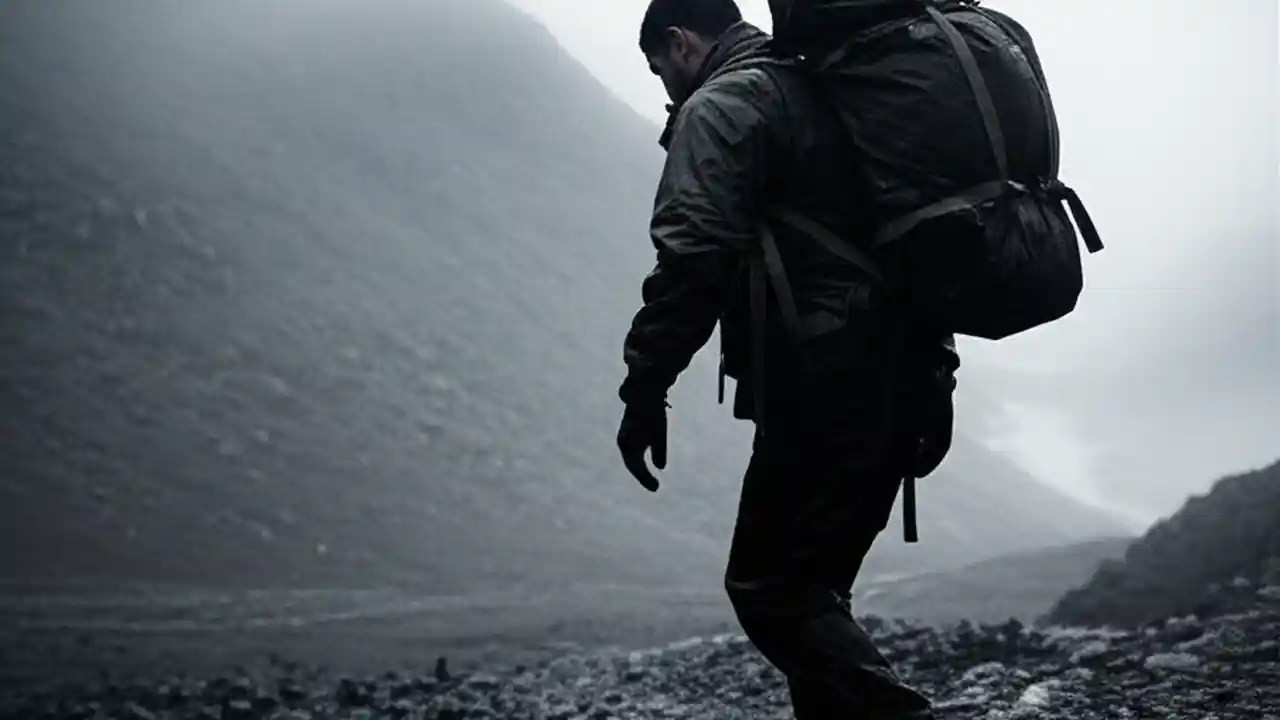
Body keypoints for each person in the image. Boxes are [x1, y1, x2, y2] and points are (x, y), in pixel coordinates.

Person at [616, 0, 958, 717]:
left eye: (659, 69)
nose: (665, 89)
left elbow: (691, 261)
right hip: (906, 369)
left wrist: (645, 388)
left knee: (770, 589)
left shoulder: (727, 106)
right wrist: (939, 376)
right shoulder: (835, 88)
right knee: (814, 589)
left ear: (680, 43)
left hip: (824, 382)